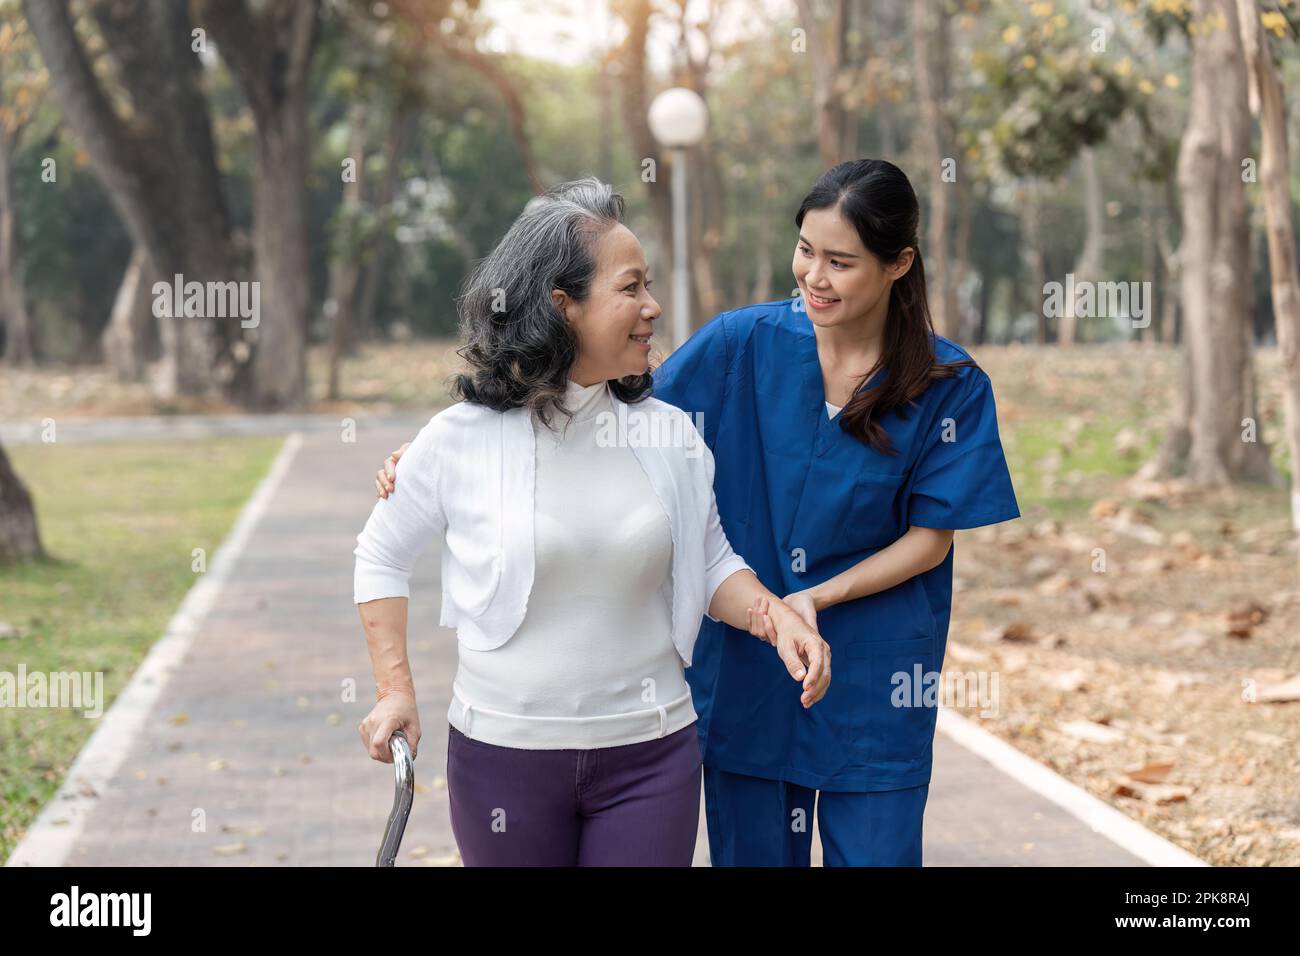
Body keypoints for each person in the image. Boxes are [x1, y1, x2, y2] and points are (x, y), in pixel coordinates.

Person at [378, 159, 1020, 866]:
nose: (814, 276)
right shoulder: (740, 345)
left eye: (842, 262)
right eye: (806, 250)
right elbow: (603, 403)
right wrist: (454, 442)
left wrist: (811, 597)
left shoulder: (948, 383)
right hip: (748, 664)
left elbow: (931, 540)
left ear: (899, 263)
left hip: (874, 668)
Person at [353, 177, 829, 867]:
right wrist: (396, 690)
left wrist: (773, 615)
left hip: (652, 755)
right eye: (631, 288)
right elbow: (380, 555)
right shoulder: (459, 440)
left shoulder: (670, 435)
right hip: (503, 757)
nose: (652, 307)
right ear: (562, 304)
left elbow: (712, 560)